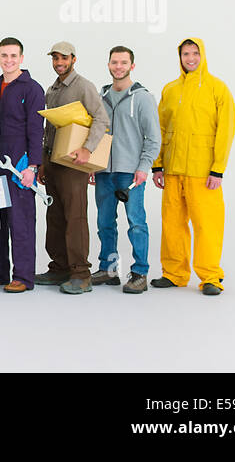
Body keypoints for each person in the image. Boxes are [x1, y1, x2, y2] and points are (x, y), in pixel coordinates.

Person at [151, 38, 235, 296]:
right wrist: (157, 165)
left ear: (203, 55)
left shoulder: (217, 88)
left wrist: (217, 169)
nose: (190, 58)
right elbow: (161, 129)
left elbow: (226, 131)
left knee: (207, 225)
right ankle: (174, 273)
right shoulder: (170, 89)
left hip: (203, 171)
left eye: (195, 53)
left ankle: (210, 276)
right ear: (180, 57)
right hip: (174, 169)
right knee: (172, 224)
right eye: (186, 54)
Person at [38, 41, 110, 294]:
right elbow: (50, 128)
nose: (59, 62)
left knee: (75, 218)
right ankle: (59, 268)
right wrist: (43, 162)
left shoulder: (83, 86)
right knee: (55, 217)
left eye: (64, 58)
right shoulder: (52, 89)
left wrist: (88, 149)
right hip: (54, 161)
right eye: (55, 58)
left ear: (74, 59)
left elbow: (102, 118)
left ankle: (81, 273)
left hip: (74, 164)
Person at [92, 46, 159, 294]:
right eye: (114, 62)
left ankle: (139, 272)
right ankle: (109, 270)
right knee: (105, 223)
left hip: (131, 174)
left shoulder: (142, 98)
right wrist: (94, 164)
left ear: (132, 66)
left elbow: (153, 138)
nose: (118, 67)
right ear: (108, 65)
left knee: (136, 223)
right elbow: (95, 133)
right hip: (104, 173)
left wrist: (144, 168)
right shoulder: (101, 97)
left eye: (123, 63)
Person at [0, 37, 46, 293]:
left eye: (13, 56)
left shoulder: (32, 88)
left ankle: (23, 276)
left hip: (19, 165)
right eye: (4, 55)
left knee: (20, 221)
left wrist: (32, 166)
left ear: (21, 58)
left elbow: (36, 130)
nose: (8, 60)